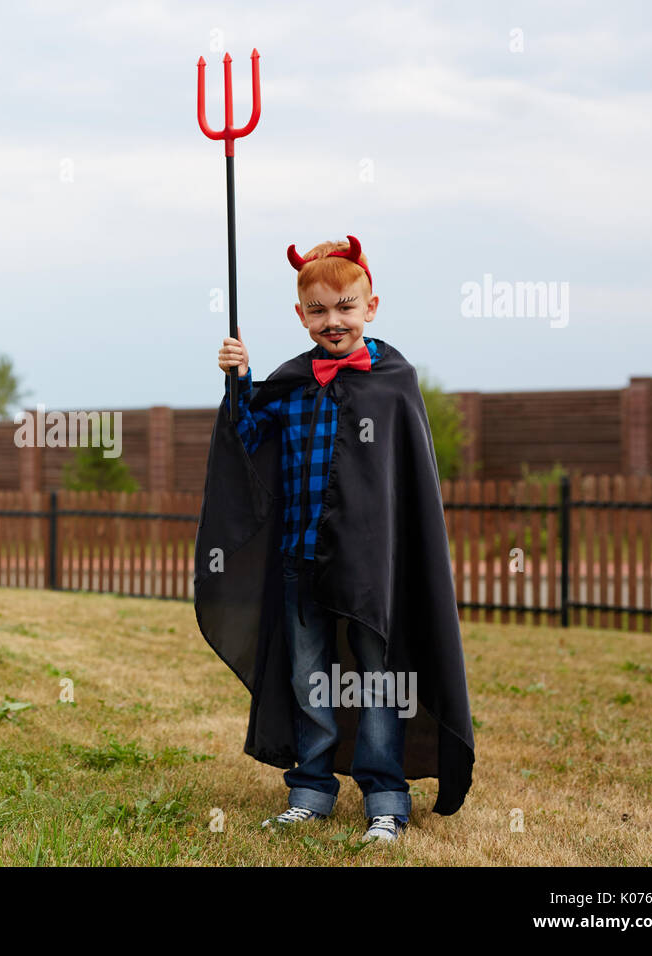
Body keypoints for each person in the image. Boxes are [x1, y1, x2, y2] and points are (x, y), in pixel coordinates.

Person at [195, 235, 474, 844]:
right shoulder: (291, 382)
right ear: (301, 316)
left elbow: (405, 484)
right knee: (307, 676)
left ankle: (385, 797)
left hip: (372, 566)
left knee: (379, 676)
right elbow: (246, 442)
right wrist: (238, 381)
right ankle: (312, 790)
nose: (333, 320)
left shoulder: (393, 380)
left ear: (370, 307)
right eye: (318, 310)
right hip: (299, 561)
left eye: (346, 306)